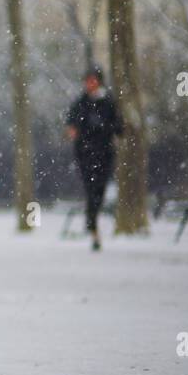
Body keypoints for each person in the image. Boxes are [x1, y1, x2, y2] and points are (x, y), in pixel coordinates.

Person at [65, 66, 124, 250]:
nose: (89, 84)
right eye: (87, 80)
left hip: (104, 153)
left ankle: (92, 221)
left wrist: (110, 129)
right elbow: (71, 126)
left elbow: (118, 127)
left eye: (92, 80)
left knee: (99, 189)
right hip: (85, 154)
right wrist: (75, 132)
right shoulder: (80, 103)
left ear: (99, 81)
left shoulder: (108, 102)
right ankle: (93, 225)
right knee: (91, 189)